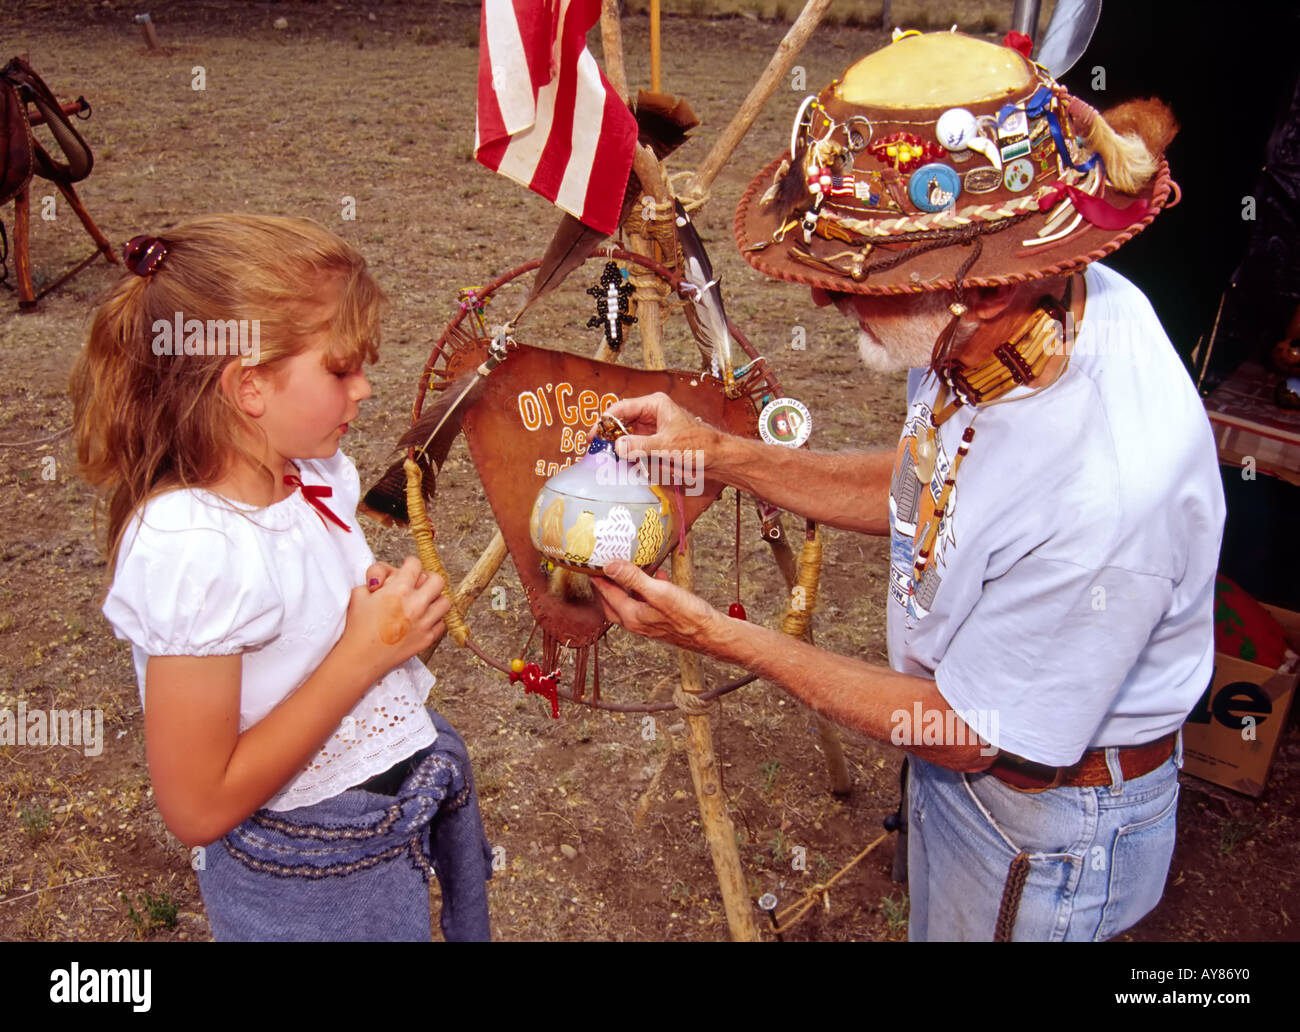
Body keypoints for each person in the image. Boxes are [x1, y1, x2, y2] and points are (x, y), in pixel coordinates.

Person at [591, 31, 1226, 941]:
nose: (822, 299)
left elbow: (970, 731)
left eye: (861, 275)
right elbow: (927, 487)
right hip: (975, 773)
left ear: (984, 291)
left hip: (1042, 823)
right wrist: (717, 453)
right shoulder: (1014, 316)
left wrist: (720, 637)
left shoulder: (1108, 492)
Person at [71, 215, 493, 942]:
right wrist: (363, 654)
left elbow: (303, 628)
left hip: (382, 821)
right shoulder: (192, 547)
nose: (363, 389)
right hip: (302, 873)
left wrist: (370, 614)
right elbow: (197, 807)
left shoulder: (311, 473)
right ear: (249, 386)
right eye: (340, 368)